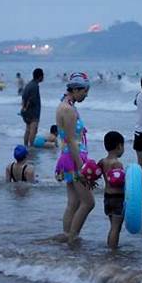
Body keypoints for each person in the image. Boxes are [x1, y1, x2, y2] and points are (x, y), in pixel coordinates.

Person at [55, 72, 94, 245]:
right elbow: (71, 140)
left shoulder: (65, 105)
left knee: (73, 202)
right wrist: (82, 167)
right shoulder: (68, 110)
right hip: (74, 159)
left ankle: (66, 235)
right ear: (76, 89)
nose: (86, 94)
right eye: (85, 91)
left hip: (68, 157)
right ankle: (73, 237)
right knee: (88, 202)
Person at [98, 131, 125, 249]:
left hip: (107, 198)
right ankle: (112, 251)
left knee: (113, 226)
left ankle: (110, 247)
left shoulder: (102, 161)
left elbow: (95, 174)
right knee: (116, 228)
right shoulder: (117, 164)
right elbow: (119, 182)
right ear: (119, 146)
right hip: (117, 199)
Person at [21, 68, 44, 147]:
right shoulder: (35, 86)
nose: (43, 77)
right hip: (33, 112)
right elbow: (31, 100)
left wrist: (24, 109)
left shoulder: (29, 84)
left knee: (28, 130)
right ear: (40, 76)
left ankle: (25, 146)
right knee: (33, 131)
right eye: (42, 75)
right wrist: (27, 108)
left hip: (26, 112)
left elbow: (24, 97)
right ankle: (31, 148)